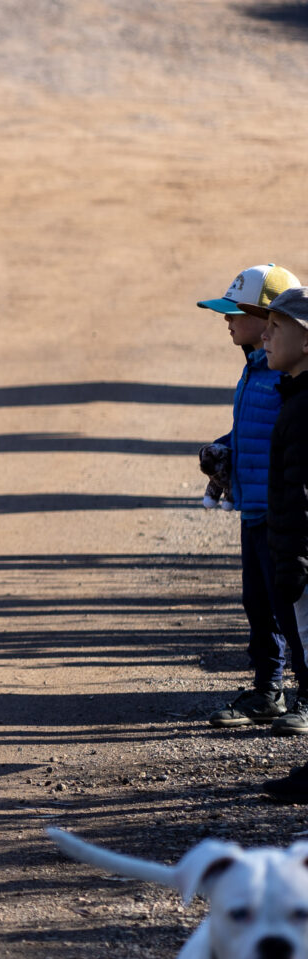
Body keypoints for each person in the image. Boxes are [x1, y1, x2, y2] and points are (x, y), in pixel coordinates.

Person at [198, 264, 307, 732]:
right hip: (255, 512)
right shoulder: (253, 371)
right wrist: (226, 449)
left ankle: (304, 697)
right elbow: (256, 432)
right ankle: (269, 689)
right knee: (258, 605)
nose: (227, 321)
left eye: (236, 313)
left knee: (292, 609)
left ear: (271, 319)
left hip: (283, 515)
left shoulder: (286, 378)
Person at [257, 290, 308, 800]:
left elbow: (303, 494)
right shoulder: (295, 397)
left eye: (277, 327)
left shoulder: (305, 406)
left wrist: (293, 562)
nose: (266, 336)